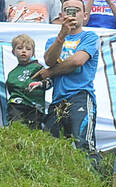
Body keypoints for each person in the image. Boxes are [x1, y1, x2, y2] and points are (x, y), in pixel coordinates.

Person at [39, 0, 99, 154]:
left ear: (85, 16)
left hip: (80, 95)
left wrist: (51, 72)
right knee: (51, 149)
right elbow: (49, 60)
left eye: (76, 10)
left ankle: (92, 177)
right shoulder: (53, 41)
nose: (71, 14)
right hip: (57, 99)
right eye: (67, 10)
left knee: (83, 145)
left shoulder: (90, 36)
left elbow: (77, 61)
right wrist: (62, 35)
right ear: (61, 15)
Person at [3, 33, 46, 129]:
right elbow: (10, 88)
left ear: (33, 53)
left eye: (28, 49)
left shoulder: (38, 68)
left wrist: (40, 84)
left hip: (35, 106)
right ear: (13, 52)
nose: (23, 51)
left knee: (34, 131)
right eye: (19, 48)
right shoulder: (12, 74)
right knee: (16, 127)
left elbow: (50, 81)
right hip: (16, 104)